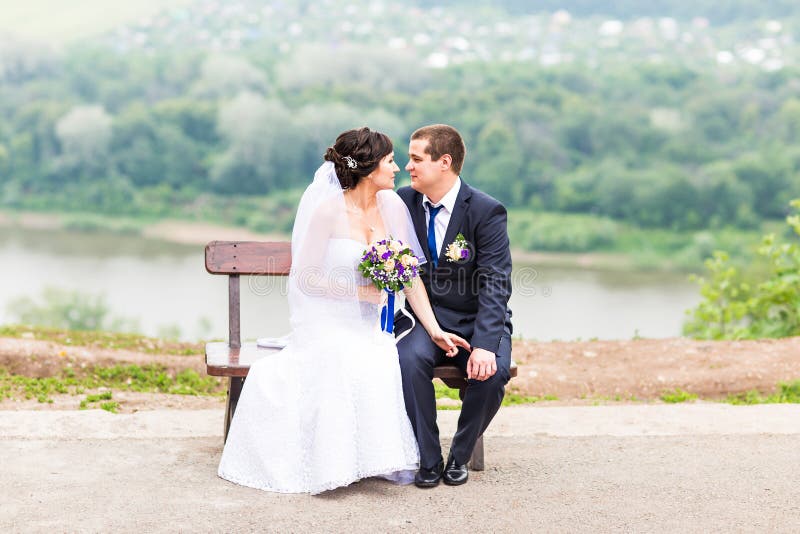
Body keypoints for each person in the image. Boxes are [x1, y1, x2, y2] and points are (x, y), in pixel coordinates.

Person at [217, 127, 469, 494]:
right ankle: (333, 462)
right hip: (327, 321)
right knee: (340, 356)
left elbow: (410, 277)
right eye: (390, 161)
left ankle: (370, 459)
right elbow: (306, 279)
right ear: (369, 169)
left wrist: (433, 329)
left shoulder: (393, 207)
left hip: (374, 326)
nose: (397, 168)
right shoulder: (327, 212)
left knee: (382, 357)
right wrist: (361, 293)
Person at [395, 124, 513, 488]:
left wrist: (484, 344)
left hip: (475, 320)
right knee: (407, 361)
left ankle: (458, 456)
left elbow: (496, 282)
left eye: (416, 158)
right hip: (423, 321)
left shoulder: (485, 210)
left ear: (444, 162)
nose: (408, 166)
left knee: (491, 375)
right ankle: (427, 458)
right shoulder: (402, 201)